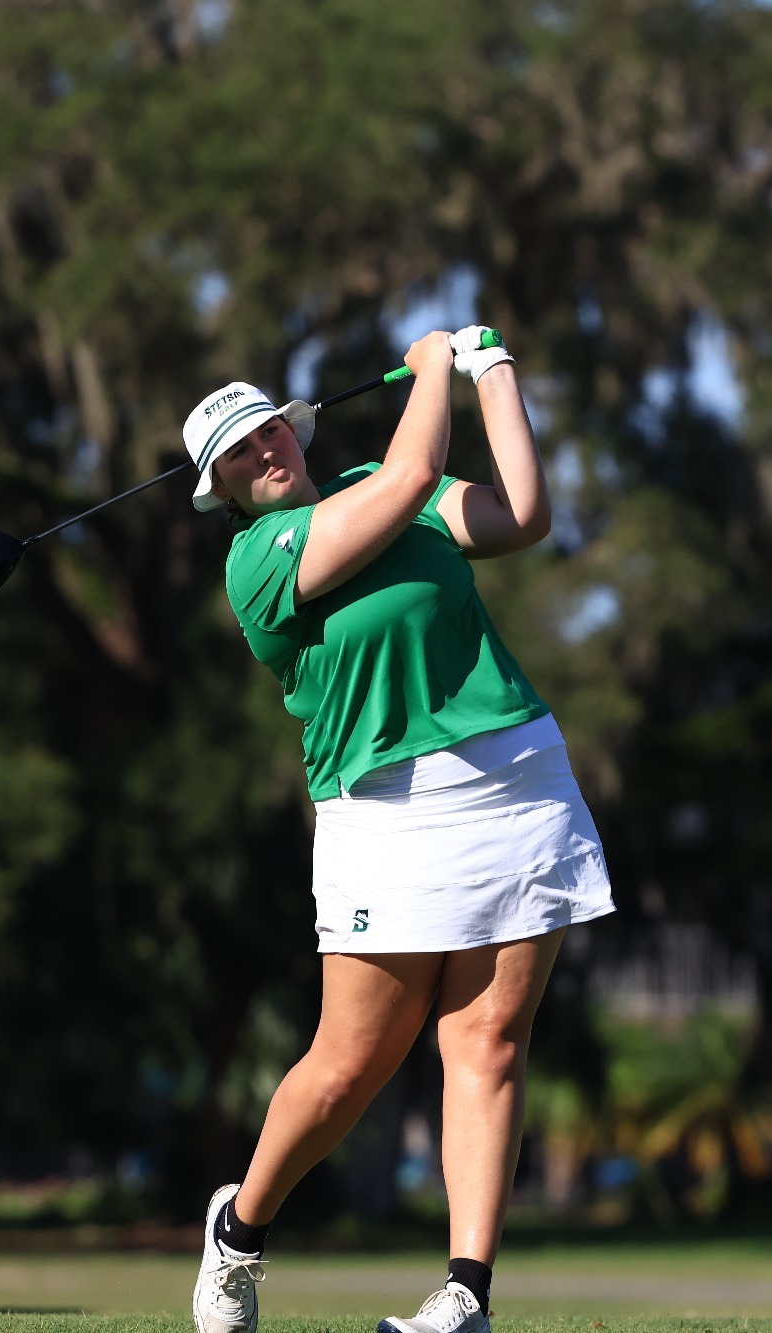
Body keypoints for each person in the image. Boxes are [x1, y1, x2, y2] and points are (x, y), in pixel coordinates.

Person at [183, 326, 615, 1333]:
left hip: (514, 775)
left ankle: (464, 1293)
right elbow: (420, 461)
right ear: (227, 492)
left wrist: (493, 370)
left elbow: (519, 516)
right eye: (240, 455)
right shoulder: (258, 563)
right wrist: (429, 372)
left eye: (268, 432)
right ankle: (238, 1233)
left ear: (292, 429)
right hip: (382, 811)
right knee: (350, 1064)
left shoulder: (381, 476)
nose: (265, 453)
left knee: (491, 1041)